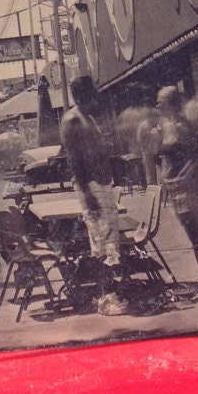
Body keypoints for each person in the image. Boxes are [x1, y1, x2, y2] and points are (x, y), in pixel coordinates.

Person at [60, 75, 127, 316]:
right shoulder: (72, 120)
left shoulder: (87, 118)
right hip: (92, 187)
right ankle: (106, 299)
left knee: (109, 243)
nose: (97, 97)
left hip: (101, 185)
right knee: (104, 244)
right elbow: (74, 161)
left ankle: (107, 294)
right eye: (93, 93)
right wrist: (87, 193)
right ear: (82, 95)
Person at [155, 85, 198, 300]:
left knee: (197, 237)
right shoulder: (168, 125)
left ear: (170, 103)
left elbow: (195, 154)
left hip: (186, 188)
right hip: (176, 187)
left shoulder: (183, 125)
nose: (157, 105)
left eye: (160, 101)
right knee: (194, 236)